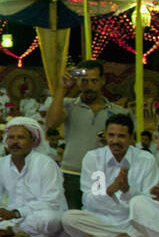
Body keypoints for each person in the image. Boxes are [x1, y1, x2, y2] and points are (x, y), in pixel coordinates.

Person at [60, 113, 159, 237]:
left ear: (131, 138)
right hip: (100, 219)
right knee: (68, 219)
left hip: (131, 220)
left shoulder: (146, 160)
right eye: (111, 135)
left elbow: (150, 203)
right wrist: (110, 189)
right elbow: (88, 200)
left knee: (156, 221)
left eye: (121, 136)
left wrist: (128, 191)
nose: (115, 141)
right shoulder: (93, 158)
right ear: (105, 136)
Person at [0, 118, 66, 237]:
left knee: (48, 218)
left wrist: (16, 213)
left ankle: (10, 230)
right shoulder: (2, 163)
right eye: (11, 138)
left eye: (21, 138)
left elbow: (51, 202)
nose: (15, 142)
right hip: (11, 216)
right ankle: (15, 229)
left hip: (37, 213)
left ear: (33, 141)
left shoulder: (46, 164)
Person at [45, 60, 131, 210]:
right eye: (84, 81)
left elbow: (129, 144)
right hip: (72, 173)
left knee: (99, 217)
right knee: (71, 218)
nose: (89, 86)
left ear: (102, 81)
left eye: (94, 81)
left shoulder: (117, 112)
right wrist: (61, 88)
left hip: (103, 173)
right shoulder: (68, 105)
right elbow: (51, 123)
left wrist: (111, 142)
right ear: (77, 82)